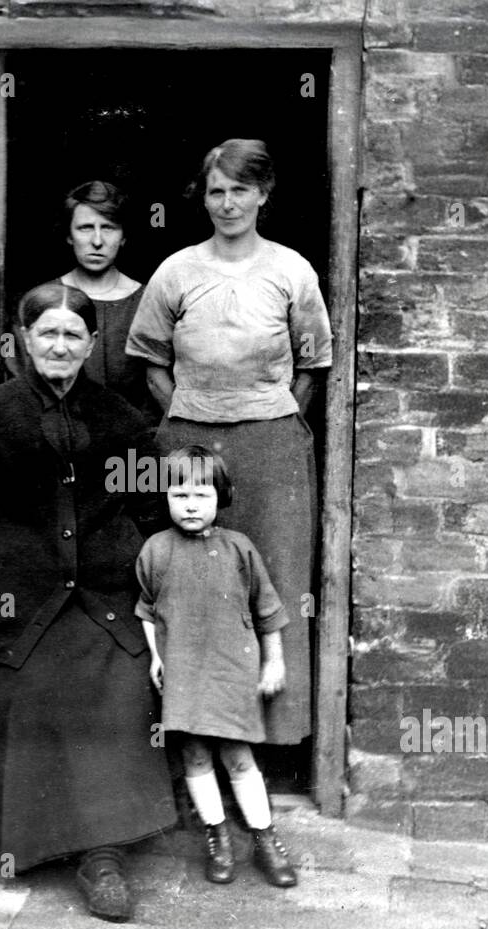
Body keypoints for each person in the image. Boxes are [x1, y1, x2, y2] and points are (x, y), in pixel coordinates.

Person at [0, 281, 176, 923]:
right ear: (24, 340)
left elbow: (150, 513)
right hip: (16, 598)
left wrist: (158, 603)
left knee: (118, 693)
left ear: (91, 343)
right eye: (48, 334)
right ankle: (34, 843)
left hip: (103, 600)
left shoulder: (122, 420)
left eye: (73, 334)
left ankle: (103, 858)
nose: (60, 345)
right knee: (29, 690)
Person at [125, 139, 333, 751]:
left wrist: (277, 415)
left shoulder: (291, 270)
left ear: (263, 195)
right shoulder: (177, 271)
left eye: (240, 190)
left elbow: (312, 364)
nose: (227, 203)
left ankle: (272, 736)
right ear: (204, 197)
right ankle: (189, 730)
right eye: (216, 190)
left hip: (271, 448)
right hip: (189, 442)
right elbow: (151, 362)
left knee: (273, 576)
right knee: (187, 576)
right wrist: (189, 420)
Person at [135, 446, 298, 887]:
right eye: (180, 494)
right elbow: (146, 610)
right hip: (183, 671)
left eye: (202, 494)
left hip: (231, 671)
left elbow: (269, 612)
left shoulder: (239, 548)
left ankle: (264, 837)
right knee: (193, 752)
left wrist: (274, 662)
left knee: (237, 754)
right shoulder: (156, 550)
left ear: (221, 497)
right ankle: (217, 836)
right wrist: (155, 656)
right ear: (166, 497)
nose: (190, 504)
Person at [57, 180, 156, 419]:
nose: (97, 241)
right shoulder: (43, 301)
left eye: (109, 227)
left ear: (123, 237)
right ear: (69, 235)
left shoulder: (149, 301)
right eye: (85, 228)